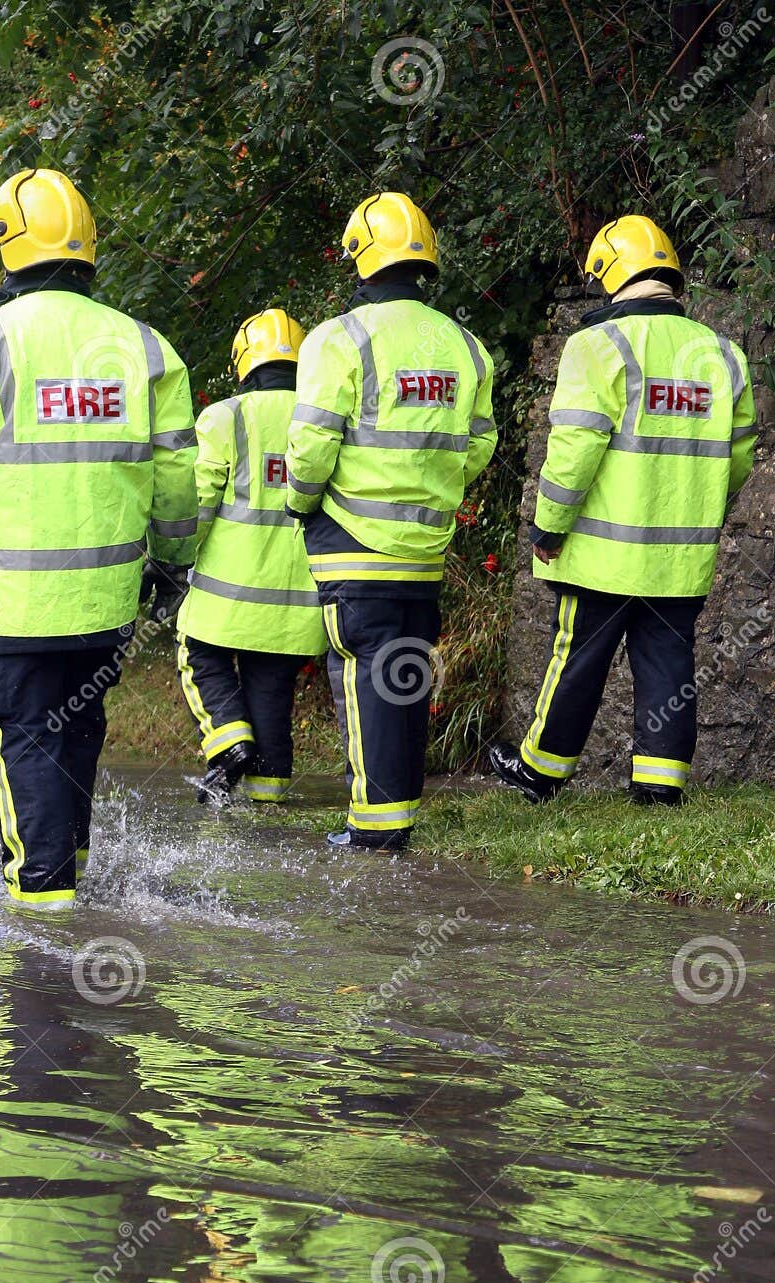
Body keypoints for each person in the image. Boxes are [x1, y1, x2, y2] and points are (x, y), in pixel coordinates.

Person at [0, 168, 197, 908]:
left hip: (14, 608)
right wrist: (174, 565)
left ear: (9, 248)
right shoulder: (145, 348)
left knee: (24, 739)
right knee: (77, 731)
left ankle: (43, 916)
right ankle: (72, 877)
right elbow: (178, 479)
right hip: (105, 607)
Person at [490, 214, 756, 806]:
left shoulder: (597, 345)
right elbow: (736, 459)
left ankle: (540, 772)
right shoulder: (723, 353)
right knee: (668, 663)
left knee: (577, 660)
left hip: (601, 556)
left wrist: (549, 525)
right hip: (680, 557)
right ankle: (659, 787)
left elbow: (575, 450)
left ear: (612, 272)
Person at [285, 192, 497, 849]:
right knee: (405, 671)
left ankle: (374, 828)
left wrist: (298, 499)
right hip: (424, 545)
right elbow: (479, 444)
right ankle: (397, 809)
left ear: (360, 261)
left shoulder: (336, 339)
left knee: (364, 671)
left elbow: (314, 442)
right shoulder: (464, 345)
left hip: (352, 540)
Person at [176, 309, 326, 806]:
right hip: (301, 598)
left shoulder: (226, 416)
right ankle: (269, 795)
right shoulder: (322, 415)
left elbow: (198, 501)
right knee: (272, 689)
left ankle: (229, 740)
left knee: (197, 655)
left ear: (244, 363)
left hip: (226, 594)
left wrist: (173, 556)